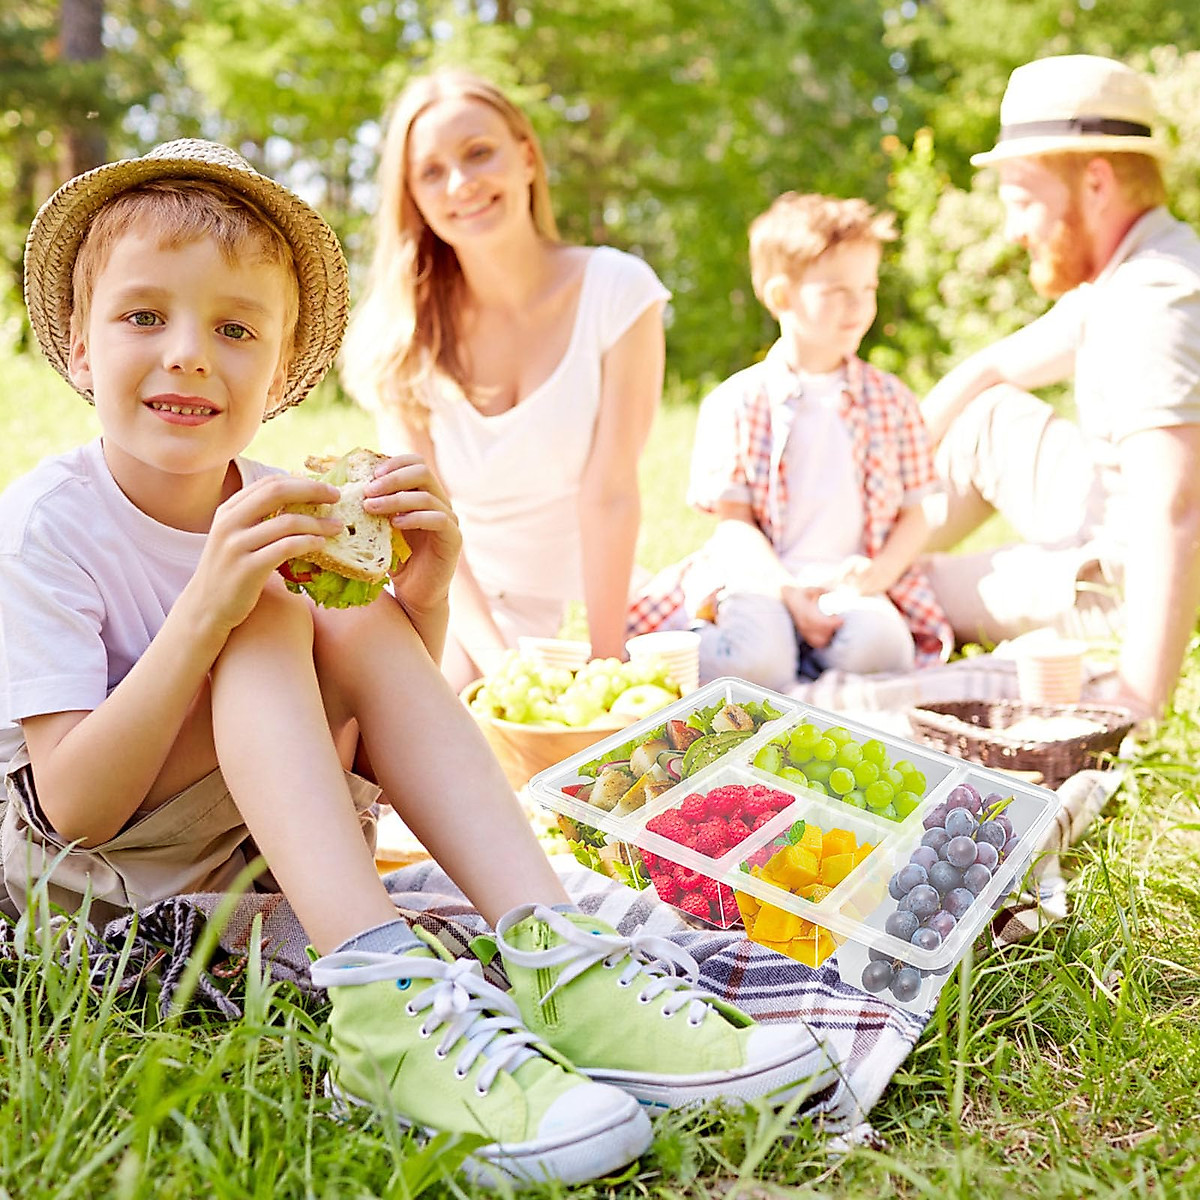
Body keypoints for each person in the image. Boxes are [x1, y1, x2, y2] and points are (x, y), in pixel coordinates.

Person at [0, 140, 832, 1185]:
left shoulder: (287, 507)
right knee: (269, 611)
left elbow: (364, 737)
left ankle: (558, 957)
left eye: (235, 328)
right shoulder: (46, 526)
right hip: (97, 885)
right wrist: (205, 614)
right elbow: (74, 807)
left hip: (257, 859)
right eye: (142, 316)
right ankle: (383, 1014)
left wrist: (422, 600)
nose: (188, 354)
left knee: (316, 612)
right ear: (79, 348)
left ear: (282, 372)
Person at [341, 69, 670, 691]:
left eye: (478, 153)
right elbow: (424, 520)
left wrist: (607, 661)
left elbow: (610, 493)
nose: (460, 183)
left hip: (594, 598)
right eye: (431, 172)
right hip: (466, 604)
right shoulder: (401, 335)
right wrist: (502, 668)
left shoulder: (618, 291)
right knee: (417, 710)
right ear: (412, 197)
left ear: (526, 158)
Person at [920, 54, 1200, 720]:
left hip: (1123, 584)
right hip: (1109, 513)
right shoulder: (1140, 265)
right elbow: (990, 369)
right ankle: (816, 555)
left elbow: (1175, 509)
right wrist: (876, 480)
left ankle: (843, 591)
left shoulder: (1154, 303)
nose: (1012, 230)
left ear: (1096, 183)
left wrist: (1137, 706)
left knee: (906, 587)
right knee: (988, 415)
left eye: (1022, 200)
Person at [629, 193, 951, 693]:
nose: (859, 305)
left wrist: (879, 574)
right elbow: (734, 526)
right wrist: (786, 592)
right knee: (758, 663)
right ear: (782, 297)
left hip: (845, 583)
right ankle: (688, 640)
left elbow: (917, 513)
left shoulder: (892, 400)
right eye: (837, 290)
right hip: (761, 578)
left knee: (884, 648)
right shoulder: (737, 401)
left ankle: (806, 665)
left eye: (868, 288)